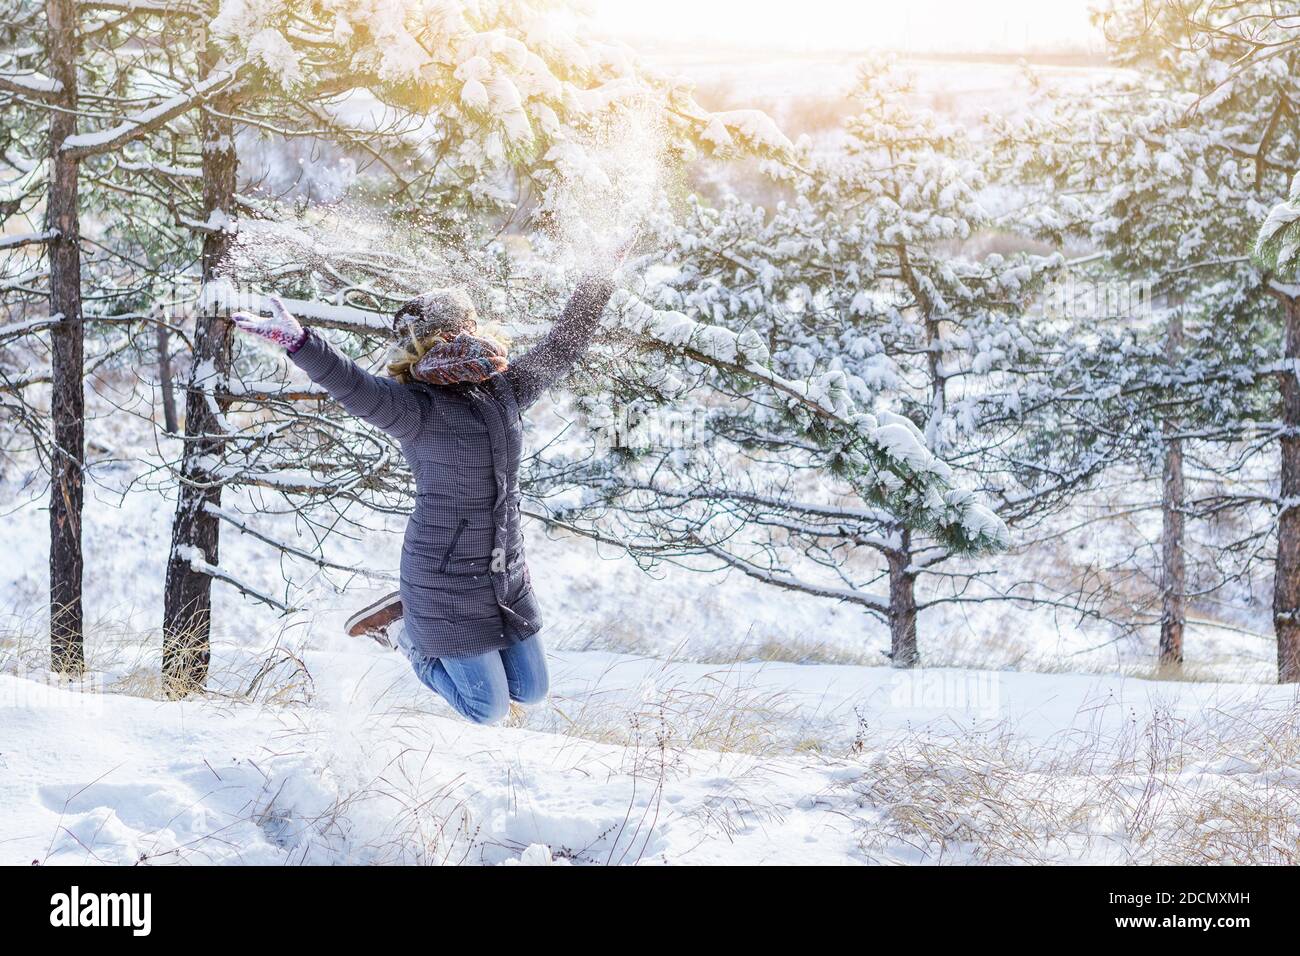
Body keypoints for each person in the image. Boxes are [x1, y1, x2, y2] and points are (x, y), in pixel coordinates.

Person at [230, 262, 621, 724]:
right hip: (445, 580)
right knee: (487, 709)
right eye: (460, 327)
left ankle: (406, 614)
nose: (470, 333)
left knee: (532, 691)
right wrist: (301, 344)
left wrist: (601, 272)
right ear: (436, 336)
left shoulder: (504, 389)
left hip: (503, 571)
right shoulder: (413, 408)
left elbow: (563, 345)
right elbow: (350, 385)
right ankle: (401, 630)